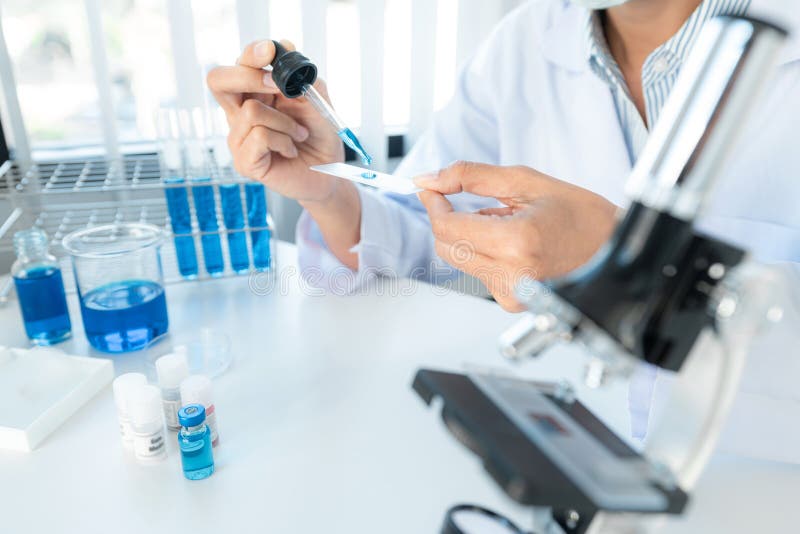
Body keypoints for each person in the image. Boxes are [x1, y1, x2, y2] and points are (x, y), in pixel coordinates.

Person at [209, 0, 800, 441]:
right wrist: (330, 187)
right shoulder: (524, 41)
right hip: (582, 451)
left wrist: (633, 266)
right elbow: (424, 229)